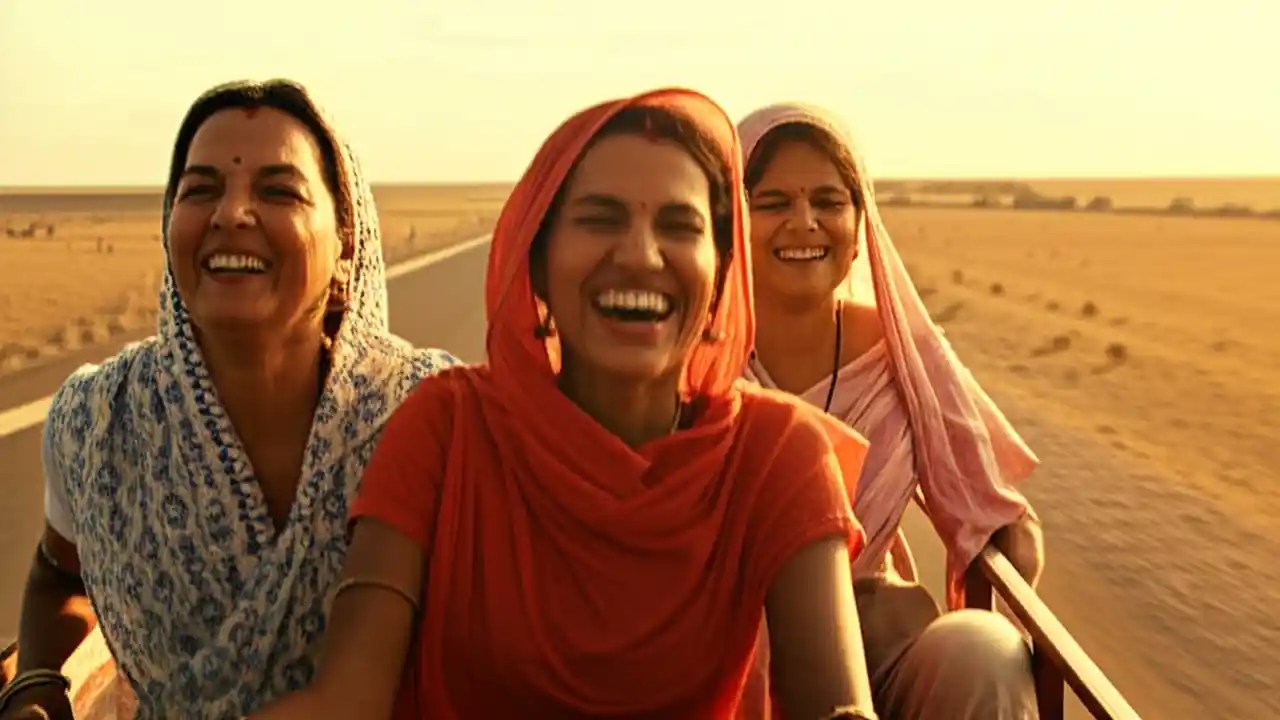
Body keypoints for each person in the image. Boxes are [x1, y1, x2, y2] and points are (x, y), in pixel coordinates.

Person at [250, 88, 881, 720]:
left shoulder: (778, 453)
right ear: (539, 262)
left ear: (720, 273)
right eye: (600, 219)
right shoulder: (446, 426)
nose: (639, 256)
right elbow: (347, 699)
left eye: (678, 226)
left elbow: (838, 710)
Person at [0, 79, 457, 720]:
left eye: (279, 191)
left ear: (346, 246)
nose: (232, 214)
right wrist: (38, 683)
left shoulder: (434, 418)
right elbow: (57, 573)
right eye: (201, 189)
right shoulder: (96, 423)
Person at [736, 102, 1045, 718]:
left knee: (983, 650)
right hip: (723, 645)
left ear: (860, 229)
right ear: (730, 222)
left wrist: (1003, 543)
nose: (805, 223)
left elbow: (992, 504)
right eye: (773, 202)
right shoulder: (690, 349)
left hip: (875, 635)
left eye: (828, 201)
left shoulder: (904, 354)